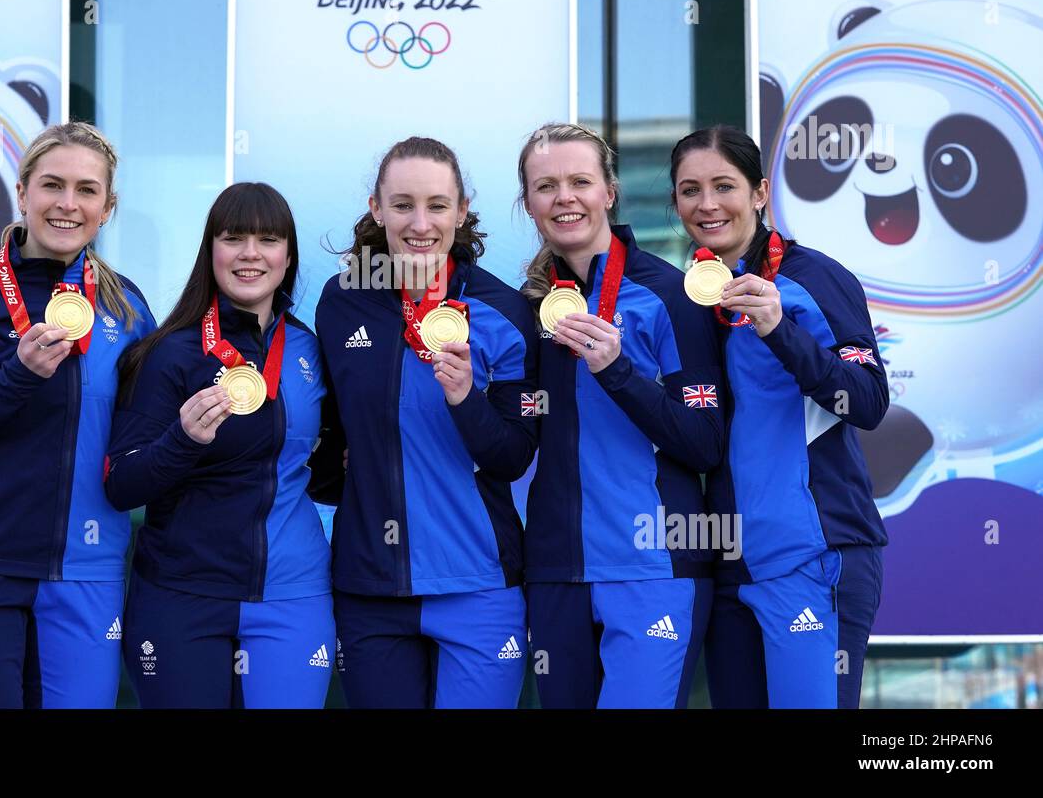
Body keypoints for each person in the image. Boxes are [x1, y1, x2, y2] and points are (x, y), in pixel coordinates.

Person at [0, 121, 155, 708]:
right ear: (22, 193)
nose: (67, 204)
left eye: (87, 190)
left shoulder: (129, 307)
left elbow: (145, 443)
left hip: (86, 573)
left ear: (108, 206)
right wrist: (16, 376)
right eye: (52, 185)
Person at [315, 136, 538, 708]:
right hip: (371, 587)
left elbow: (513, 456)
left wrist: (466, 397)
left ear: (462, 211)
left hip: (479, 582)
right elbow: (332, 430)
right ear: (376, 208)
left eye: (438, 205)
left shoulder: (507, 313)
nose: (420, 223)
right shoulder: (343, 301)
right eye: (402, 204)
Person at [670, 124, 888, 708]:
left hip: (816, 550)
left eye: (724, 186)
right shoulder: (687, 297)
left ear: (760, 193)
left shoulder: (813, 279)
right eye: (690, 190)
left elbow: (866, 401)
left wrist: (778, 329)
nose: (708, 204)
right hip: (728, 565)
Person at [105, 182, 336, 708]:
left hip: (293, 592)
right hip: (182, 594)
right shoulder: (168, 354)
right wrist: (182, 440)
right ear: (211, 251)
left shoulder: (310, 350)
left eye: (268, 240)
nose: (251, 254)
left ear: (288, 255)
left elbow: (325, 467)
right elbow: (122, 483)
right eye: (234, 239)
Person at [518, 123, 724, 708]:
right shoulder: (529, 307)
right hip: (557, 569)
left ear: (609, 191)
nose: (565, 198)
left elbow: (705, 443)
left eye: (580, 181)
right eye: (546, 186)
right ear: (529, 203)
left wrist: (617, 370)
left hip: (653, 565)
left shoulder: (673, 297)